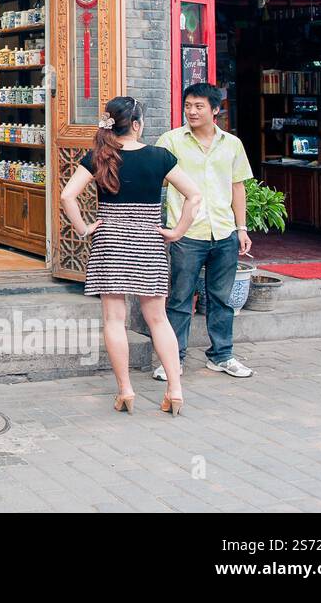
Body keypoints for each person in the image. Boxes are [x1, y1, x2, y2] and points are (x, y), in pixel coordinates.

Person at [61, 97, 202, 416]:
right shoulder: (161, 157)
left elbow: (67, 196)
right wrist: (177, 231)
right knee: (158, 318)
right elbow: (194, 196)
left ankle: (125, 390)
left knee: (114, 319)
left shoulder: (98, 157)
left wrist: (84, 228)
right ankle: (175, 391)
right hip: (148, 239)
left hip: (110, 239)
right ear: (137, 125)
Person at [153, 82, 256, 381]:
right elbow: (155, 180)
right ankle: (174, 359)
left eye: (199, 106)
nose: (192, 111)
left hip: (223, 231)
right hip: (187, 234)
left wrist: (242, 228)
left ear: (215, 110)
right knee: (180, 298)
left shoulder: (232, 144)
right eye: (188, 105)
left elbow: (238, 187)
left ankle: (222, 356)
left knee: (222, 299)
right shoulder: (171, 140)